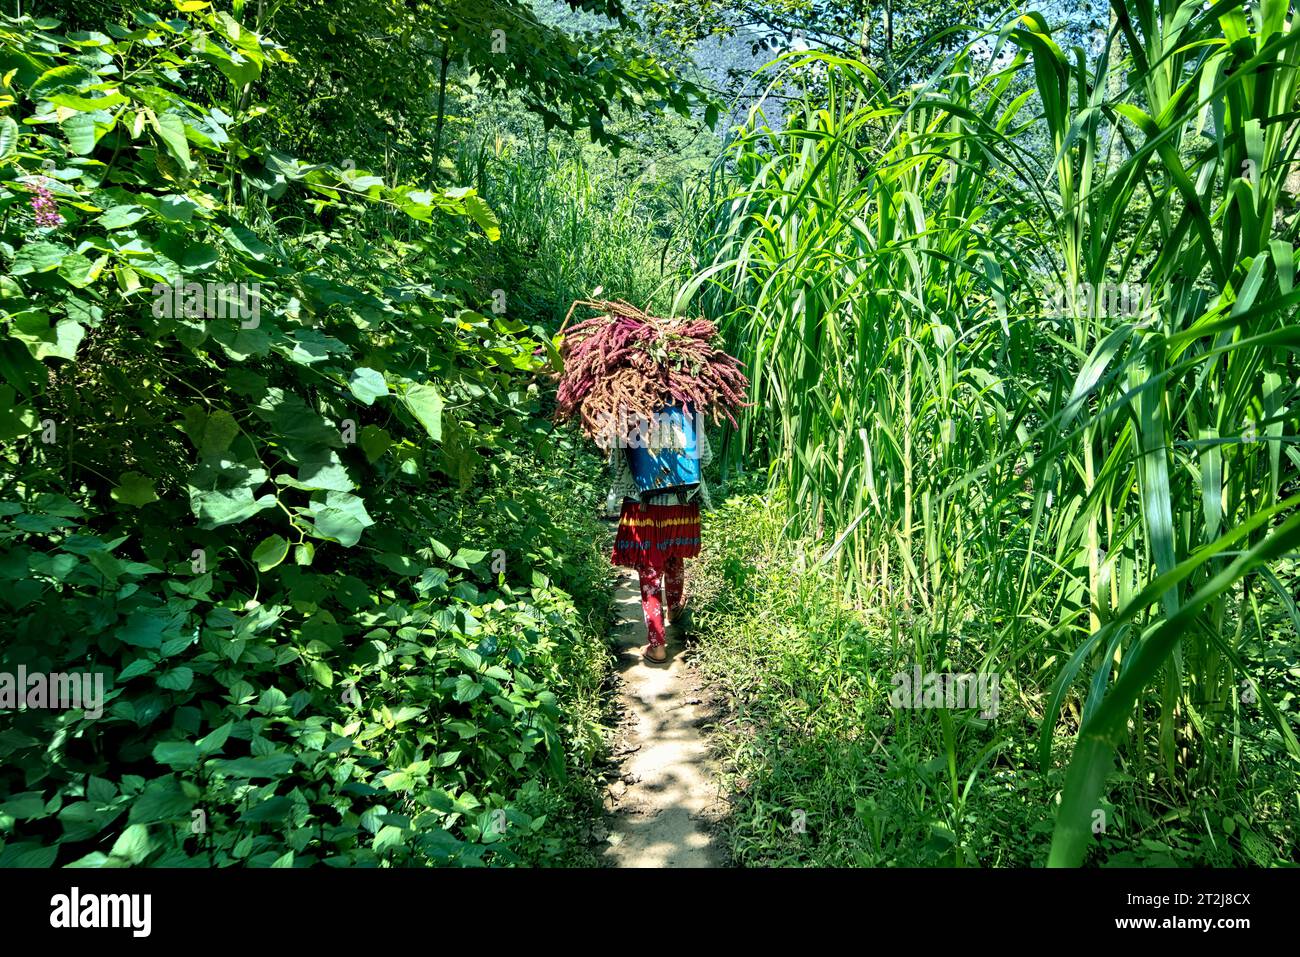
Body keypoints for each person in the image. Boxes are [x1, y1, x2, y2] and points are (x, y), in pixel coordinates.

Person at [606, 420, 712, 663]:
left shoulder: (629, 414)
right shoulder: (687, 413)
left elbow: (617, 462)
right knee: (674, 554)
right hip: (682, 501)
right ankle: (675, 608)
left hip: (643, 504)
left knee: (650, 569)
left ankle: (657, 645)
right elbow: (704, 458)